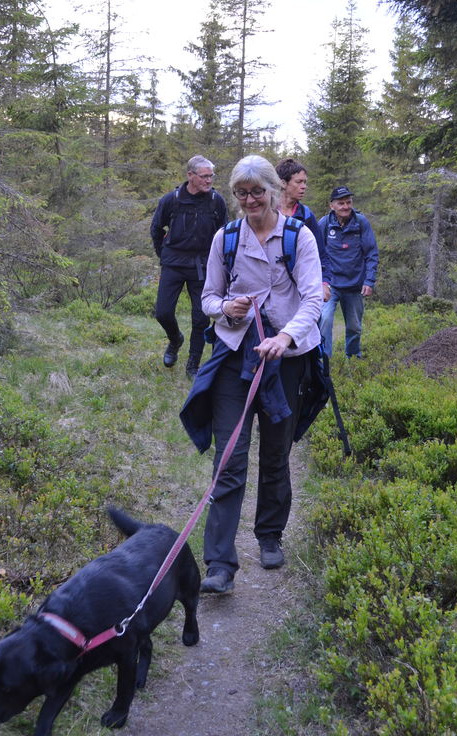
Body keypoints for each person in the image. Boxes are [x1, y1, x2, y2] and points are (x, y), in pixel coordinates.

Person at [179, 155, 327, 595]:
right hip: (233, 356)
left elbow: (313, 301)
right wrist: (226, 308)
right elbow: (208, 297)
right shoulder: (225, 238)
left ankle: (269, 535)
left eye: (257, 192)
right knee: (229, 460)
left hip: (286, 357)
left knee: (277, 453)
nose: (249, 201)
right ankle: (220, 565)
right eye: (241, 193)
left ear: (274, 192)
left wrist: (285, 340)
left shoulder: (299, 237)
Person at [150, 156, 229, 377]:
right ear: (190, 176)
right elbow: (156, 229)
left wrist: (221, 265)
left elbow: (224, 235)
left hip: (203, 266)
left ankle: (193, 366)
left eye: (211, 176)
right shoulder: (171, 200)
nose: (209, 180)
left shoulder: (216, 201)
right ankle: (175, 340)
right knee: (163, 313)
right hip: (173, 264)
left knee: (201, 318)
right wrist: (163, 255)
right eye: (204, 176)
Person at [318, 186, 379, 358]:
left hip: (354, 285)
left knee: (354, 327)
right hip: (330, 285)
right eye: (341, 203)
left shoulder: (361, 222)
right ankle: (324, 361)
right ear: (332, 205)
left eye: (348, 202)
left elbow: (371, 253)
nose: (345, 206)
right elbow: (315, 254)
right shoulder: (323, 224)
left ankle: (353, 358)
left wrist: (369, 281)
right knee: (325, 319)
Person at [274, 158, 331, 301]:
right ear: (283, 183)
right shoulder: (268, 213)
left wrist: (324, 283)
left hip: (303, 287)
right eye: (299, 182)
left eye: (305, 182)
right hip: (273, 287)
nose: (304, 186)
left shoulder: (306, 216)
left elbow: (320, 254)